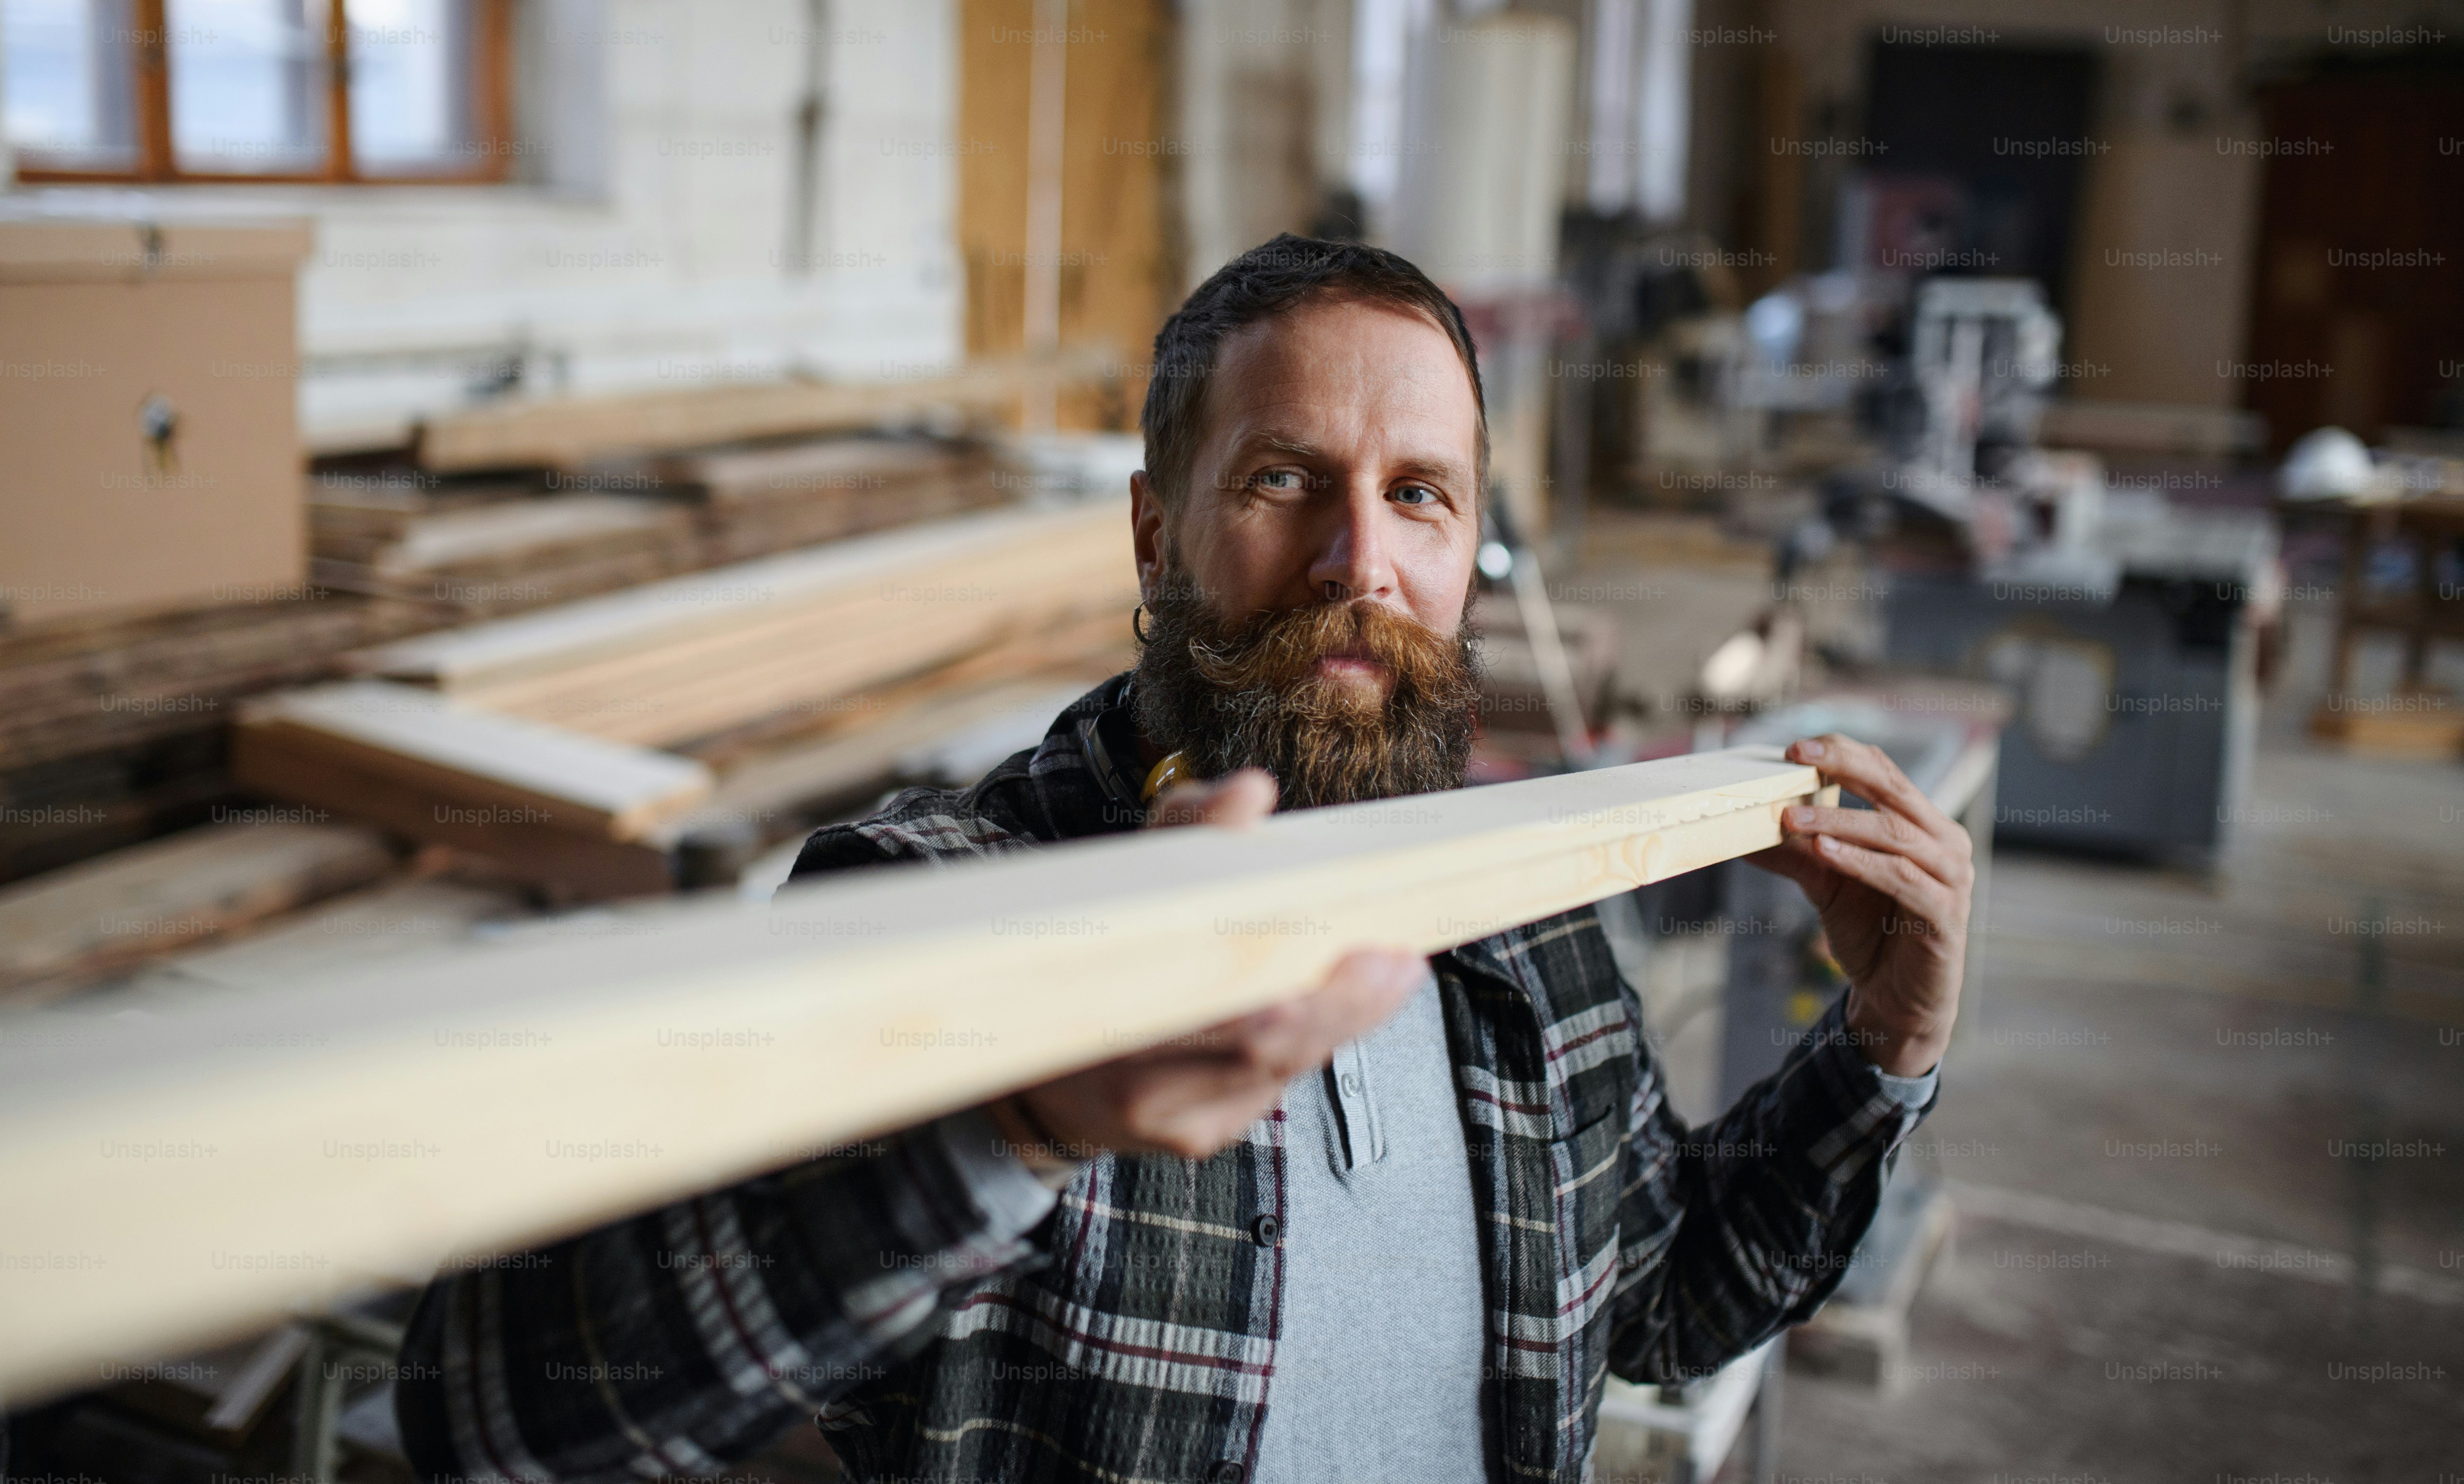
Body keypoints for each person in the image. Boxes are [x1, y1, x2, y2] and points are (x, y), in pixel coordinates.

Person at [395, 234, 1971, 1484]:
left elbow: (1658, 1304)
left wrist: (1881, 1045)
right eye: (1287, 481)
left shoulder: (1523, 901)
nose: (1363, 561)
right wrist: (1016, 1120)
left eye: (1418, 495)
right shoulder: (950, 904)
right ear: (1155, 534)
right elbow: (498, 1406)